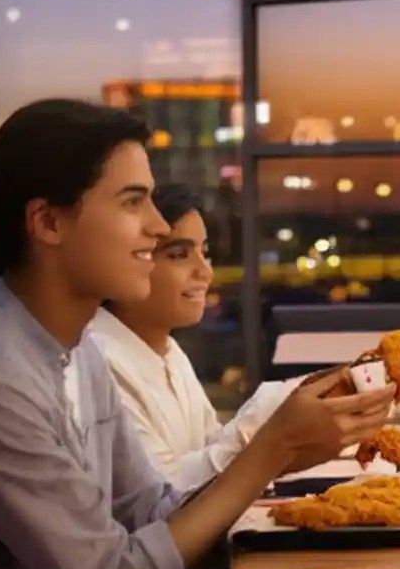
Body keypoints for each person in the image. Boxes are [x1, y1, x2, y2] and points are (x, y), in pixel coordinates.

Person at [0, 100, 395, 569]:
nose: (158, 226)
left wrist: (297, 442)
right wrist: (270, 451)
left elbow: (152, 514)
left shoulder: (75, 351)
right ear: (48, 222)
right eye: (133, 201)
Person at [89, 184, 305, 493]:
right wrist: (266, 421)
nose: (205, 272)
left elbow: (210, 447)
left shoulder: (168, 350)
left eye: (205, 253)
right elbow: (159, 495)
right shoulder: (97, 359)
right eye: (179, 254)